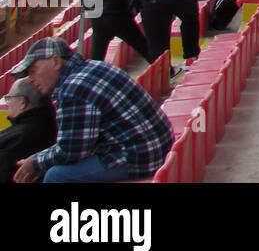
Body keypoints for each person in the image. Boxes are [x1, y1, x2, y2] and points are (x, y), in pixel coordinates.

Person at [8, 38, 173, 183]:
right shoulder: (93, 67)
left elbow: (72, 150)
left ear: (55, 62)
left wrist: (35, 162)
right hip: (158, 145)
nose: (30, 79)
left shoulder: (73, 89)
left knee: (55, 176)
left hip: (142, 156)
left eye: (33, 71)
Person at [0, 78, 56, 184]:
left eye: (9, 98)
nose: (8, 104)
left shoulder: (19, 138)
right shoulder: (49, 124)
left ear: (22, 102)